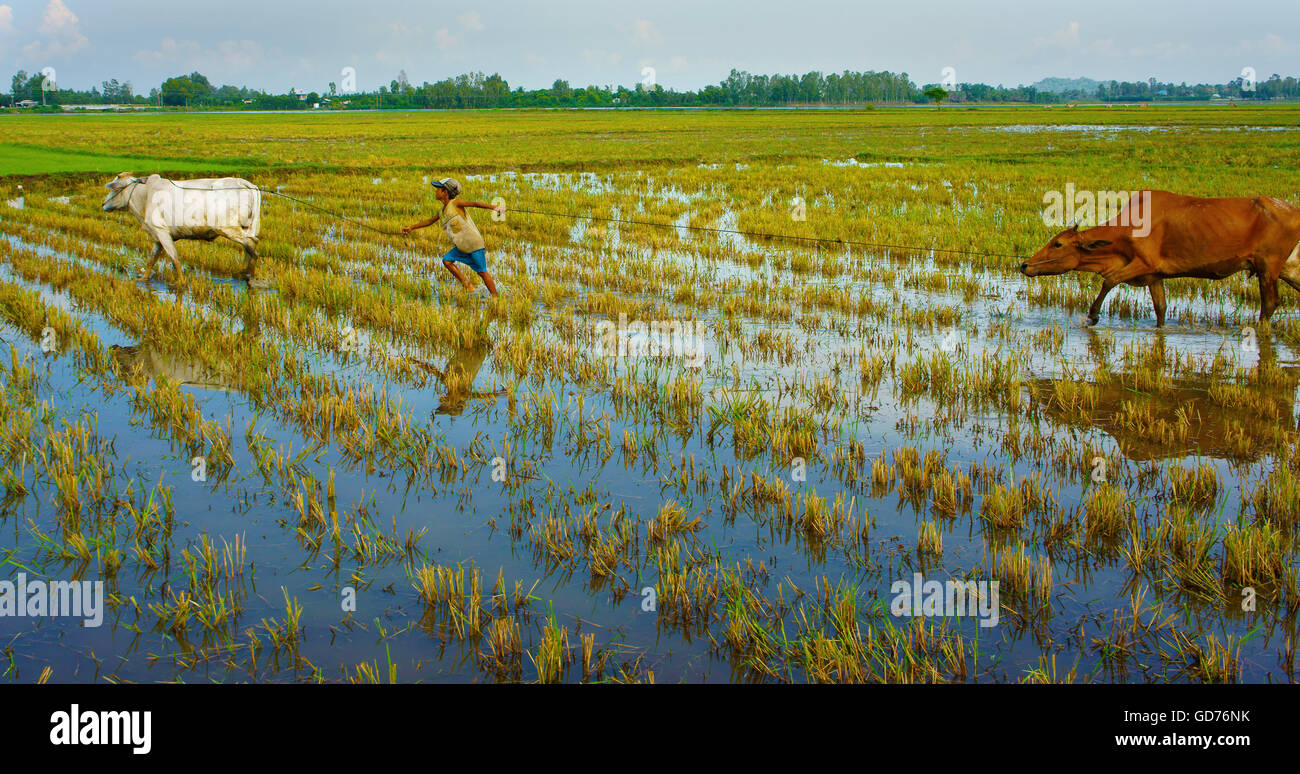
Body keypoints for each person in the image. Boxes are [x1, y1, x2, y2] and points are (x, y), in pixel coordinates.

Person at [402, 177, 503, 297]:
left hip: (473, 244)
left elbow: (475, 204)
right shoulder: (442, 211)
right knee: (447, 260)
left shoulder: (455, 203)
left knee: (482, 272)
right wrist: (411, 227)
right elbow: (429, 221)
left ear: (445, 192)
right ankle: (468, 286)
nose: (436, 191)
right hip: (461, 247)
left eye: (438, 189)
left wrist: (495, 208)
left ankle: (496, 298)